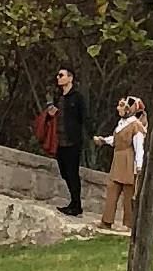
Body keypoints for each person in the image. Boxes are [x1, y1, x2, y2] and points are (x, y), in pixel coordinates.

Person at [100, 94, 146, 232]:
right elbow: (115, 140)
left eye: (122, 106)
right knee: (112, 189)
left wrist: (139, 165)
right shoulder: (121, 124)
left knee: (128, 193)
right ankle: (106, 221)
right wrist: (104, 140)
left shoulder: (136, 126)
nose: (118, 109)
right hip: (118, 157)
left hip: (128, 159)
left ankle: (129, 224)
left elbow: (139, 147)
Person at [51, 63, 89, 218]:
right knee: (64, 172)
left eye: (62, 75)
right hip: (60, 140)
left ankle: (76, 205)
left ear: (70, 78)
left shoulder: (77, 97)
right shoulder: (58, 97)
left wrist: (89, 135)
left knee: (72, 173)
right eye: (58, 76)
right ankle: (73, 202)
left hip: (73, 141)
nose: (58, 78)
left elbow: (84, 118)